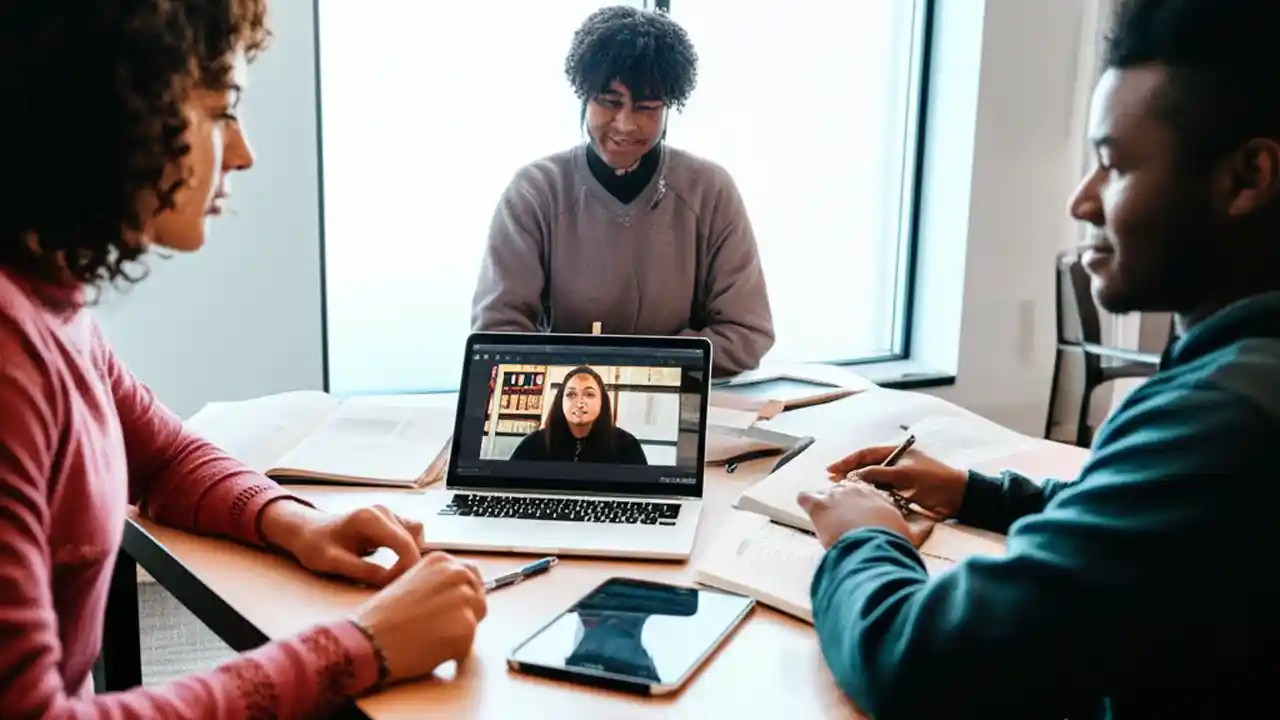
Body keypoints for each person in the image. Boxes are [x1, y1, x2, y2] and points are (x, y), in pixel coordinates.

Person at [0, 3, 486, 717]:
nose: (244, 151)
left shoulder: (48, 294)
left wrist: (298, 522)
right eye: (223, 109)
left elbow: (161, 457)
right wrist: (358, 646)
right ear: (116, 106)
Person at [796, 0, 1280, 717]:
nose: (1081, 201)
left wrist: (864, 538)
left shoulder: (1227, 414)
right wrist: (973, 491)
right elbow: (1141, 519)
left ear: (1247, 178)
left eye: (1112, 165)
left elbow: (918, 661)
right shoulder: (1241, 377)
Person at [470, 5, 775, 377]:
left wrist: (636, 375)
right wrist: (596, 381)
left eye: (647, 107)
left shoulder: (709, 191)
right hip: (563, 410)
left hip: (683, 408)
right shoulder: (535, 192)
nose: (626, 124)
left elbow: (747, 332)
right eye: (609, 102)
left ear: (668, 107)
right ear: (584, 95)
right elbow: (497, 335)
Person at [509, 367, 648, 464]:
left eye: (589, 394)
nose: (580, 403)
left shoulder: (627, 447)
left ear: (602, 402)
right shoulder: (533, 444)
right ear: (560, 401)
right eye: (571, 395)